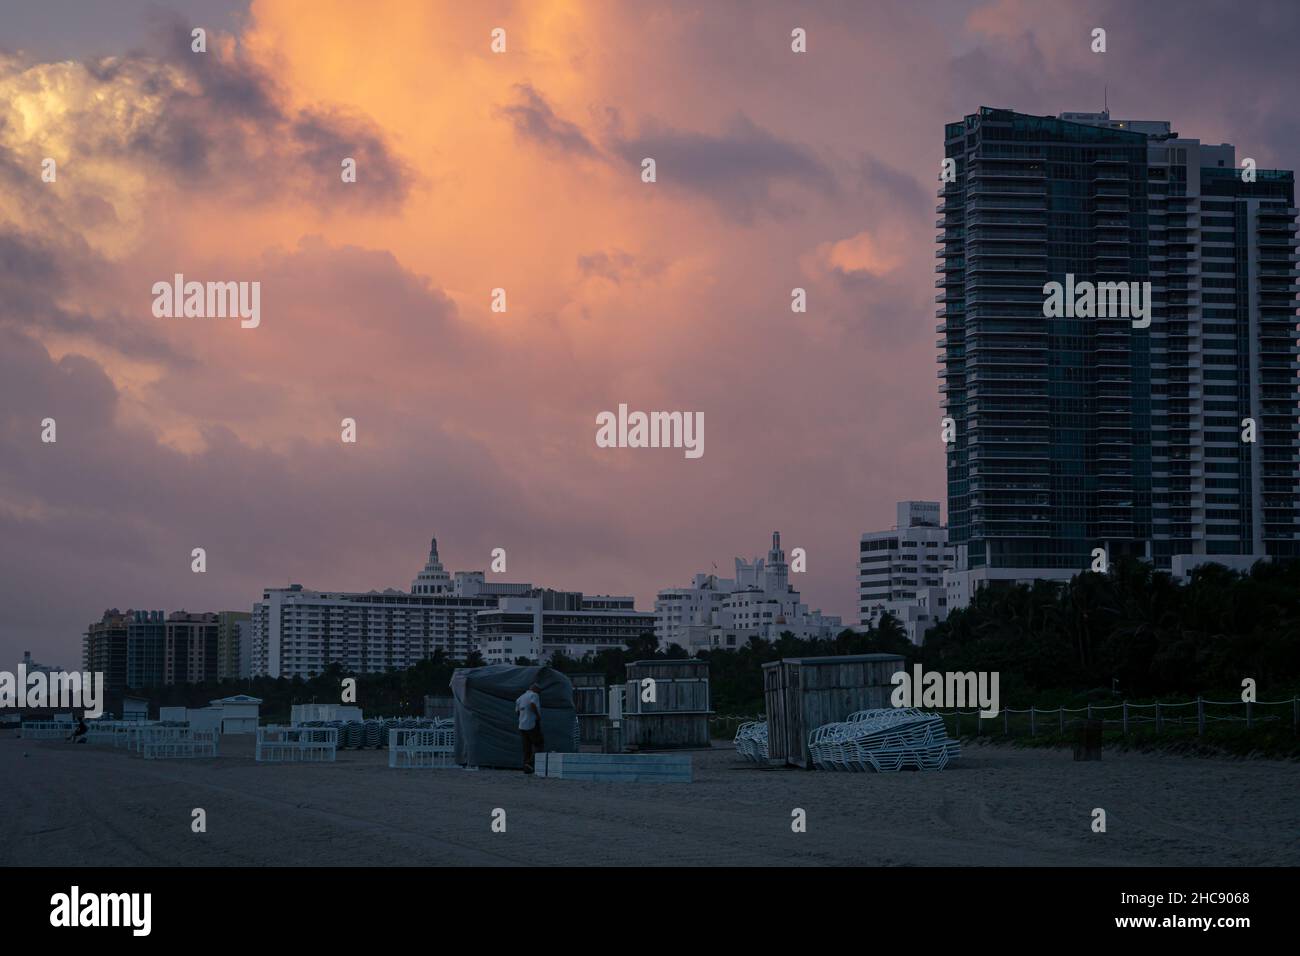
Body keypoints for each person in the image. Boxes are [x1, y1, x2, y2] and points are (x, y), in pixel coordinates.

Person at [515, 681, 544, 774]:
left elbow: (517, 711)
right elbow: (532, 704)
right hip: (532, 724)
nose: (539, 693)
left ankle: (526, 768)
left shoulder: (521, 697)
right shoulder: (534, 695)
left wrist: (522, 718)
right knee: (539, 744)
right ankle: (530, 763)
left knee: (526, 747)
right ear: (535, 689)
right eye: (539, 691)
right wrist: (538, 716)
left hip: (522, 725)